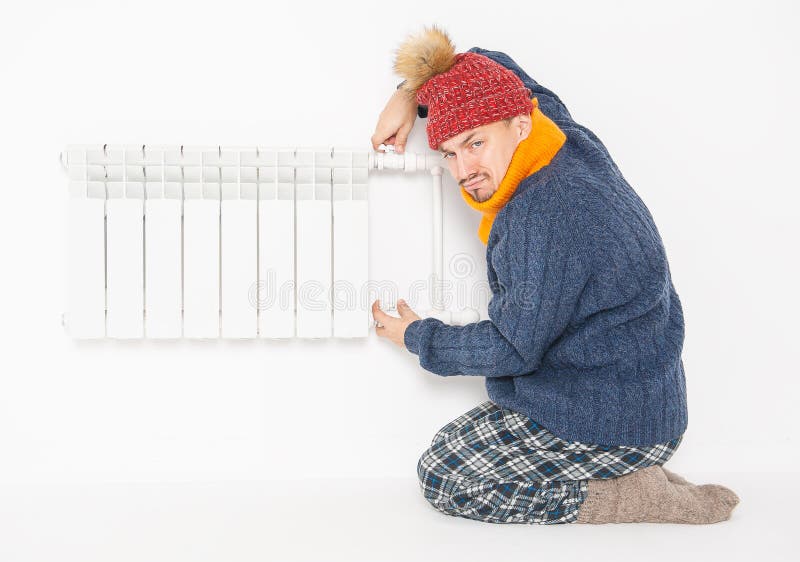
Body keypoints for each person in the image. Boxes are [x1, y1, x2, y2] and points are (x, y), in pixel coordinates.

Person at [370, 25, 740, 525]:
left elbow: (511, 347)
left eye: (475, 143)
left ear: (518, 126)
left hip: (613, 418)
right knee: (457, 442)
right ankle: (631, 472)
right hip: (628, 392)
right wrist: (410, 92)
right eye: (450, 153)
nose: (463, 170)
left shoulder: (541, 218)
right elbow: (491, 62)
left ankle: (627, 497)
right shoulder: (561, 136)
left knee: (442, 475)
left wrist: (417, 336)